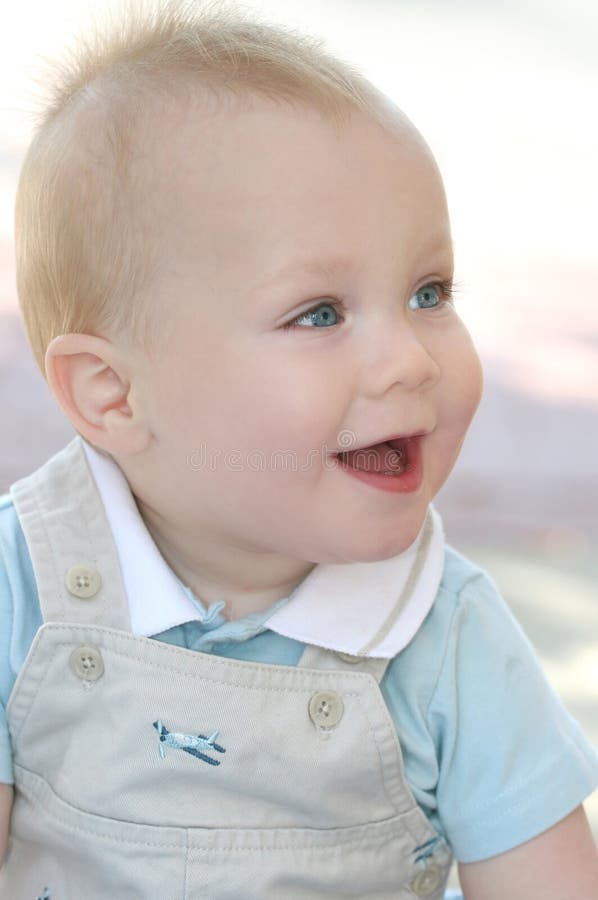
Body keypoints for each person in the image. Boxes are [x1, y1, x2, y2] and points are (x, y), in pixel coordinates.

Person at [1, 1, 597, 897]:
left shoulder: (445, 633)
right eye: (318, 313)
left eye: (429, 291)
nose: (410, 360)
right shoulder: (26, 580)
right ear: (115, 395)